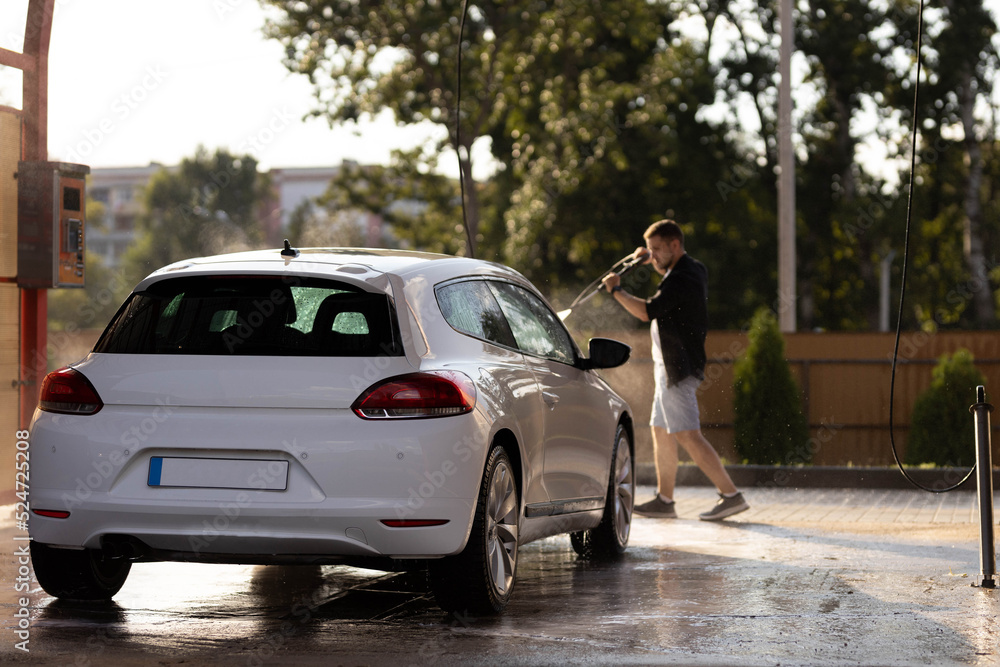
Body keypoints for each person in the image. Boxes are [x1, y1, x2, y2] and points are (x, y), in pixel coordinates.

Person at [601, 219, 749, 521]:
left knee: (687, 434)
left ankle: (731, 495)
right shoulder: (686, 271)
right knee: (661, 431)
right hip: (668, 368)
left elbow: (647, 311)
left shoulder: (683, 277)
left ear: (675, 245)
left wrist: (616, 289)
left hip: (677, 370)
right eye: (650, 249)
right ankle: (665, 501)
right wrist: (640, 258)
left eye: (657, 249)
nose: (653, 255)